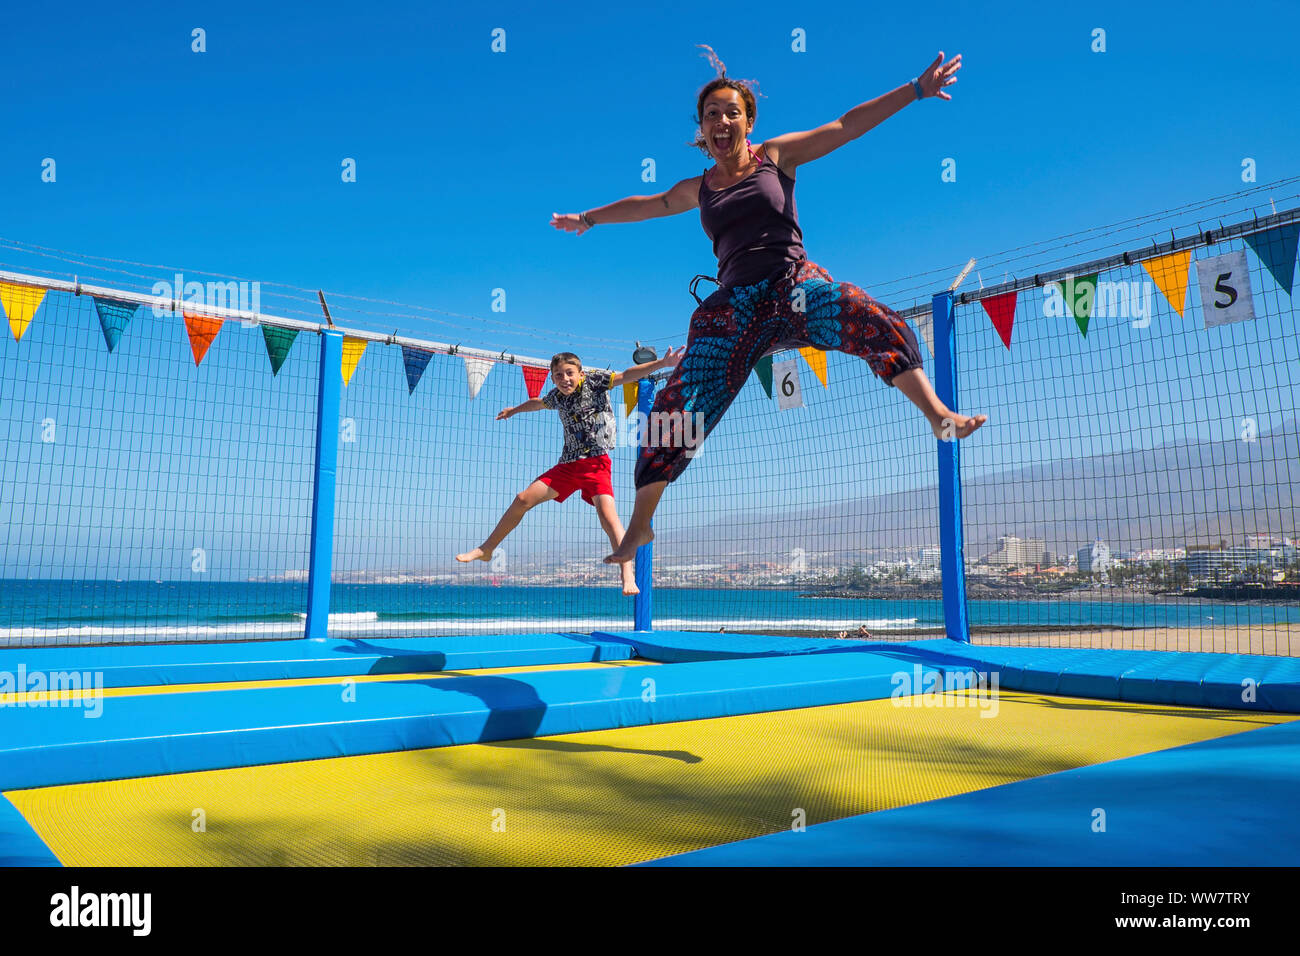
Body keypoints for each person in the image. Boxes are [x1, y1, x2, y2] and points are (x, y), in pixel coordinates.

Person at [550, 46, 986, 566]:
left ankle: (939, 416)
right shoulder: (700, 187)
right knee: (676, 403)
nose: (721, 121)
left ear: (748, 120)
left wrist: (914, 90)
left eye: (731, 112)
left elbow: (846, 125)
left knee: (864, 312)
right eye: (711, 114)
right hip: (734, 307)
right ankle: (639, 527)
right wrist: (589, 217)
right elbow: (649, 205)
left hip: (792, 286)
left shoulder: (776, 158)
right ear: (703, 130)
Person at [457, 348, 682, 594]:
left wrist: (662, 363)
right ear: (553, 379)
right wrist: (514, 410)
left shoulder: (596, 382)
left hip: (597, 464)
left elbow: (627, 375)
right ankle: (487, 549)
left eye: (569, 373)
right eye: (558, 375)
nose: (564, 379)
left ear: (580, 373)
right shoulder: (557, 396)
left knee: (609, 519)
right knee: (522, 499)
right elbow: (537, 403)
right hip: (568, 465)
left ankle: (627, 575)